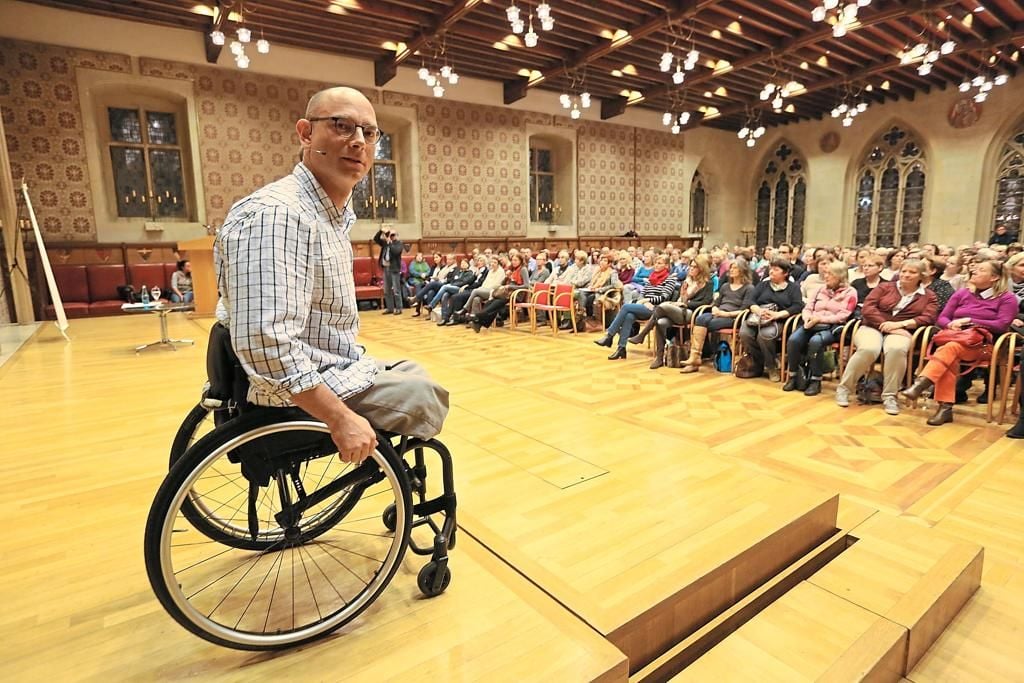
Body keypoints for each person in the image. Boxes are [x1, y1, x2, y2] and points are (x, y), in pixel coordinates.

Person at [215, 86, 448, 462]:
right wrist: (339, 418)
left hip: (328, 363)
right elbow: (266, 343)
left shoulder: (325, 215)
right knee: (427, 397)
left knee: (415, 371)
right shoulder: (278, 214)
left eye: (368, 133)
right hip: (293, 392)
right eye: (342, 126)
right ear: (306, 133)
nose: (358, 142)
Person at [901, 260, 1017, 425]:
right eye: (975, 269)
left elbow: (1001, 325)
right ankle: (941, 405)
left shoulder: (1007, 298)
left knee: (948, 351)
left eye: (981, 269)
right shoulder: (962, 293)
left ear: (994, 277)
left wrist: (969, 321)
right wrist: (950, 324)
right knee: (950, 352)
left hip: (985, 346)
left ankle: (927, 388)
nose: (974, 271)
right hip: (954, 339)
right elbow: (942, 317)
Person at [835, 260, 937, 416]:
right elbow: (868, 308)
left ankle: (890, 395)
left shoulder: (929, 296)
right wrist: (885, 324)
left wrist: (901, 325)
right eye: (904, 271)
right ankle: (844, 388)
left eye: (912, 272)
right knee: (869, 348)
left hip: (901, 330)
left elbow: (928, 317)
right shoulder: (885, 287)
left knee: (896, 349)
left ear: (921, 276)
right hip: (872, 326)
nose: (906, 275)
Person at [783, 262, 857, 396]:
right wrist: (807, 318)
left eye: (830, 274)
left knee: (815, 342)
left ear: (840, 276)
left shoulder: (850, 292)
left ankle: (815, 380)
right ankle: (793, 376)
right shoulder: (819, 289)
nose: (826, 276)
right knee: (793, 340)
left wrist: (820, 319)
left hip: (832, 327)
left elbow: (843, 315)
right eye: (825, 273)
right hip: (811, 323)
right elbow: (808, 307)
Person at [629, 254, 714, 369]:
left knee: (661, 306)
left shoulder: (707, 283)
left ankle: (642, 334)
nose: (691, 269)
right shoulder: (686, 281)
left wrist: (685, 304)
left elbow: (706, 302)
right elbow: (679, 297)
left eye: (695, 267)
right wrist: (676, 303)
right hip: (678, 309)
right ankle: (659, 358)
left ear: (702, 269)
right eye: (691, 266)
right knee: (660, 322)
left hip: (691, 312)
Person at [594, 255, 678, 360]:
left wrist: (647, 300)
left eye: (659, 263)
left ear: (666, 265)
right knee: (629, 315)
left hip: (657, 309)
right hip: (644, 305)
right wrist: (642, 301)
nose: (656, 265)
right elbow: (643, 292)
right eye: (655, 263)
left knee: (625, 307)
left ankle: (609, 335)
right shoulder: (653, 276)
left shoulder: (670, 278)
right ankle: (621, 349)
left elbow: (663, 296)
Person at [681, 258, 753, 374]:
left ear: (742, 270)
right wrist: (715, 308)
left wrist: (725, 314)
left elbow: (745, 310)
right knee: (700, 318)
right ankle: (695, 358)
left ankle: (695, 359)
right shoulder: (725, 286)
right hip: (719, 313)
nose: (732, 270)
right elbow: (717, 303)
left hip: (733, 317)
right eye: (731, 268)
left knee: (705, 323)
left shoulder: (748, 288)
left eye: (735, 268)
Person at [737, 259, 803, 381]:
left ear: (785, 273)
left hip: (780, 319)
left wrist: (777, 315)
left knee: (764, 335)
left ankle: (771, 366)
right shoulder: (763, 285)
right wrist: (758, 310)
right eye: (771, 268)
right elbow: (750, 301)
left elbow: (797, 306)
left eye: (776, 269)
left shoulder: (793, 288)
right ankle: (760, 362)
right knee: (744, 333)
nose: (771, 271)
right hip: (758, 317)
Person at [374, 227, 407, 314]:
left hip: (394, 269)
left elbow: (396, 252)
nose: (391, 236)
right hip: (386, 269)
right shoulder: (385, 243)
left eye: (393, 235)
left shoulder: (399, 244)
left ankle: (399, 308)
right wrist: (381, 231)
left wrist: (390, 243)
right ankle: (390, 308)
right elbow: (376, 239)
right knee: (387, 290)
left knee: (396, 290)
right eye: (389, 235)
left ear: (397, 236)